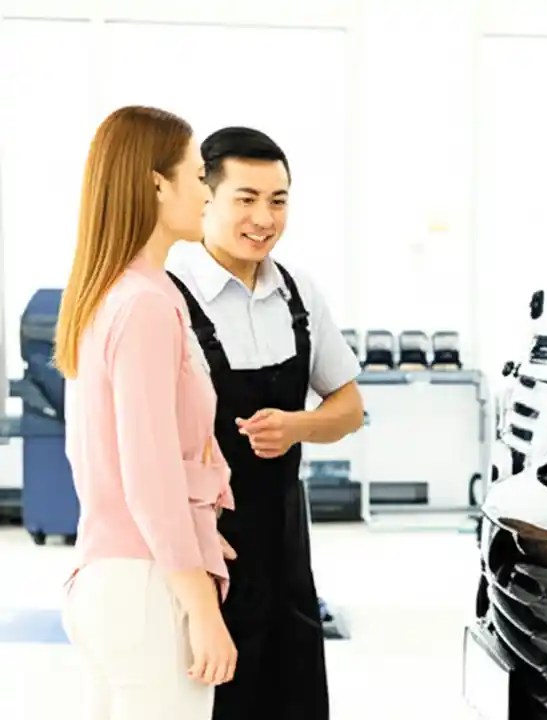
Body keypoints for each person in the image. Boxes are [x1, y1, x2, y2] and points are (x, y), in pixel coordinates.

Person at [164, 125, 364, 720]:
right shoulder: (169, 297)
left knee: (295, 694)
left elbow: (349, 408)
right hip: (207, 544)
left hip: (285, 537)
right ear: (206, 198)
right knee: (216, 699)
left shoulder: (299, 293)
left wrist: (299, 426)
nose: (264, 218)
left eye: (278, 200)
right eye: (245, 199)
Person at [57, 105, 238, 719]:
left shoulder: (114, 295)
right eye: (197, 176)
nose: (207, 193)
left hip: (113, 581)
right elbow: (149, 475)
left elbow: (108, 459)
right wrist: (201, 606)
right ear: (157, 184)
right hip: (146, 591)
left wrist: (199, 528)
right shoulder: (146, 306)